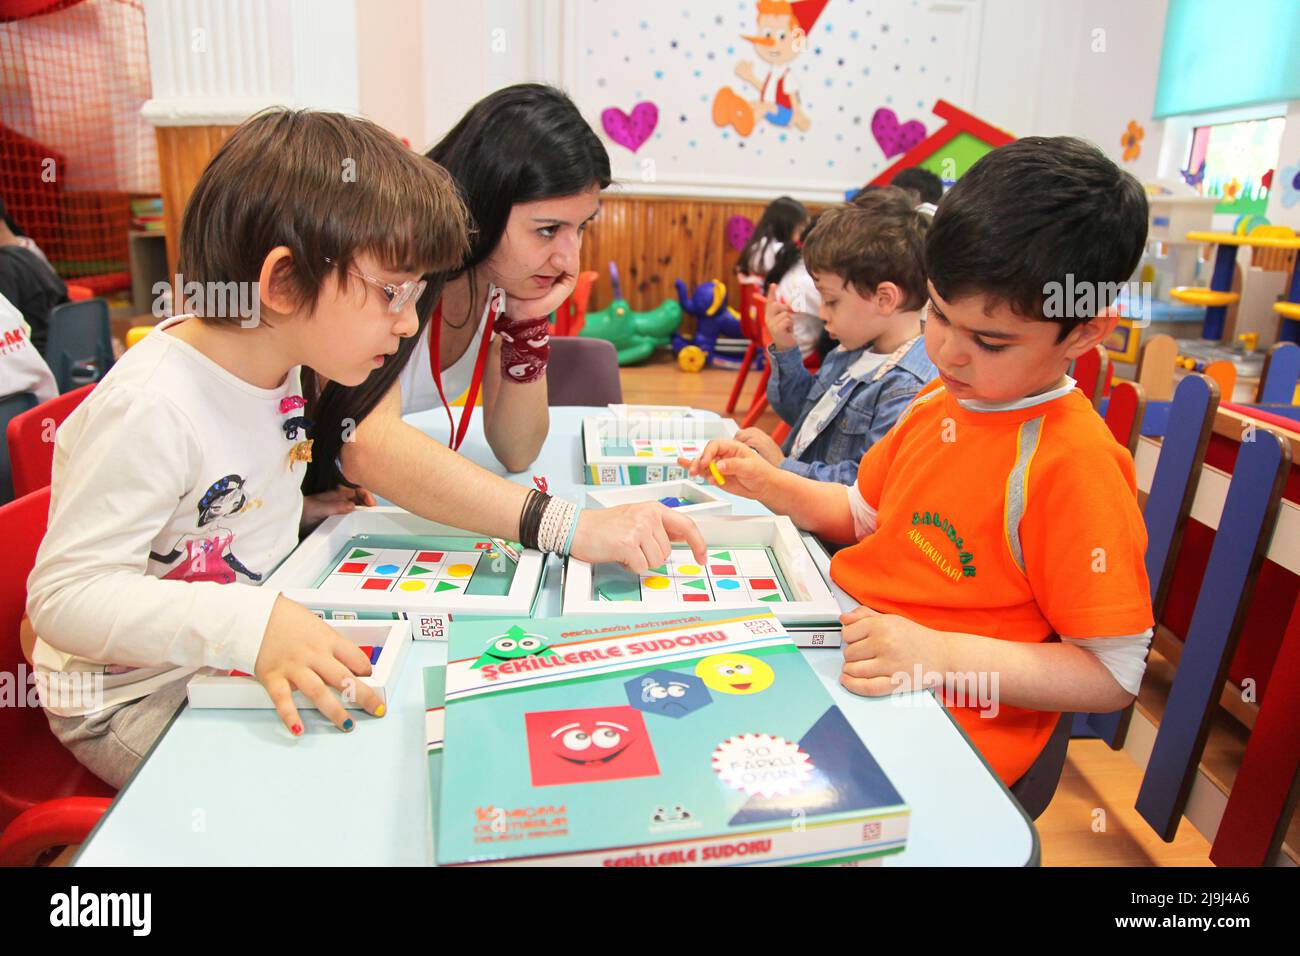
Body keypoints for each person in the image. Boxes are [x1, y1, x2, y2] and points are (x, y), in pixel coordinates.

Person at [683, 137, 1154, 786]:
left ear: (1084, 331)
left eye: (988, 340)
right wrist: (772, 484)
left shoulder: (1074, 464)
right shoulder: (941, 398)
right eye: (937, 312)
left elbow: (1114, 673)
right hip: (854, 651)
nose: (947, 351)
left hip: (945, 728)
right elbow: (863, 513)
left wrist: (938, 654)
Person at [25, 109, 471, 786]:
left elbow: (217, 499)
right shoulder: (153, 406)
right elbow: (64, 598)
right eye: (392, 292)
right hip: (130, 695)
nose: (409, 323)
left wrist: (297, 511)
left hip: (225, 645)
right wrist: (249, 621)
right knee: (313, 792)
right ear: (285, 284)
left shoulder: (277, 358)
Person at [309, 85, 707, 576]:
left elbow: (516, 447)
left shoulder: (499, 278)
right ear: (483, 207)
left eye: (581, 229)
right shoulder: (397, 258)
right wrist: (571, 527)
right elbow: (366, 443)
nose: (569, 259)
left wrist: (527, 321)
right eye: (547, 230)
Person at [736, 190, 936, 485]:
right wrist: (786, 348)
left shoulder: (906, 387)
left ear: (884, 299)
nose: (823, 314)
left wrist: (781, 467)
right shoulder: (850, 351)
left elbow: (865, 486)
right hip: (792, 498)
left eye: (831, 301)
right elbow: (801, 412)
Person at [0, 197, 68, 354]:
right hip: (63, 351)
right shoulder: (29, 251)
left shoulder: (5, 266)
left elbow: (6, 328)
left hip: (36, 358)